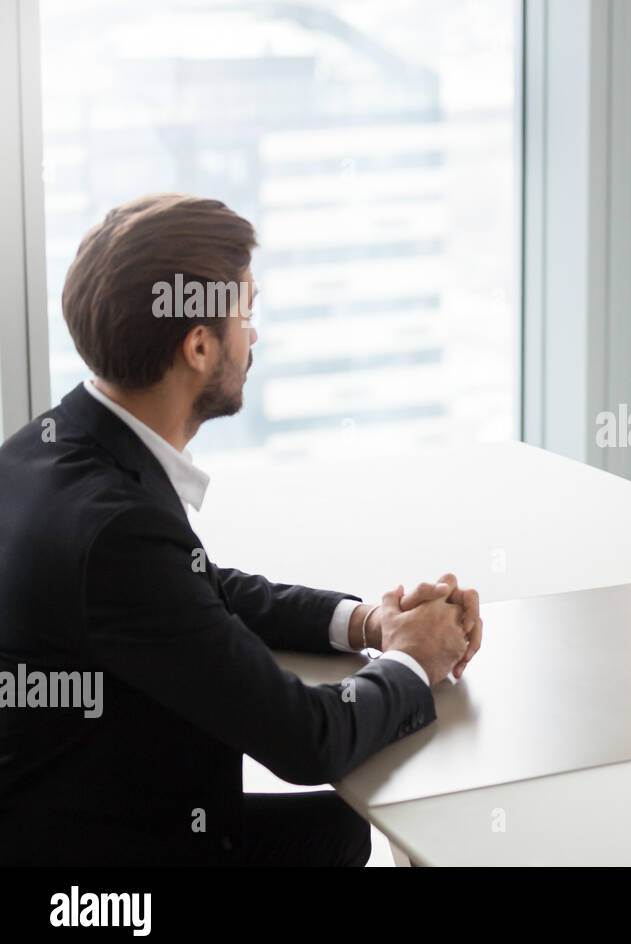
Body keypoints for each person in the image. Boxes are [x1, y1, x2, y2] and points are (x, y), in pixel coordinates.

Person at [0, 194, 483, 865]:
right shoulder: (118, 536)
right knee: (352, 823)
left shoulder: (42, 450)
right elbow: (307, 740)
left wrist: (370, 624)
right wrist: (415, 660)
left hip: (67, 815)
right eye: (245, 313)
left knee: (340, 830)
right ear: (198, 345)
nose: (252, 335)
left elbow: (196, 593)